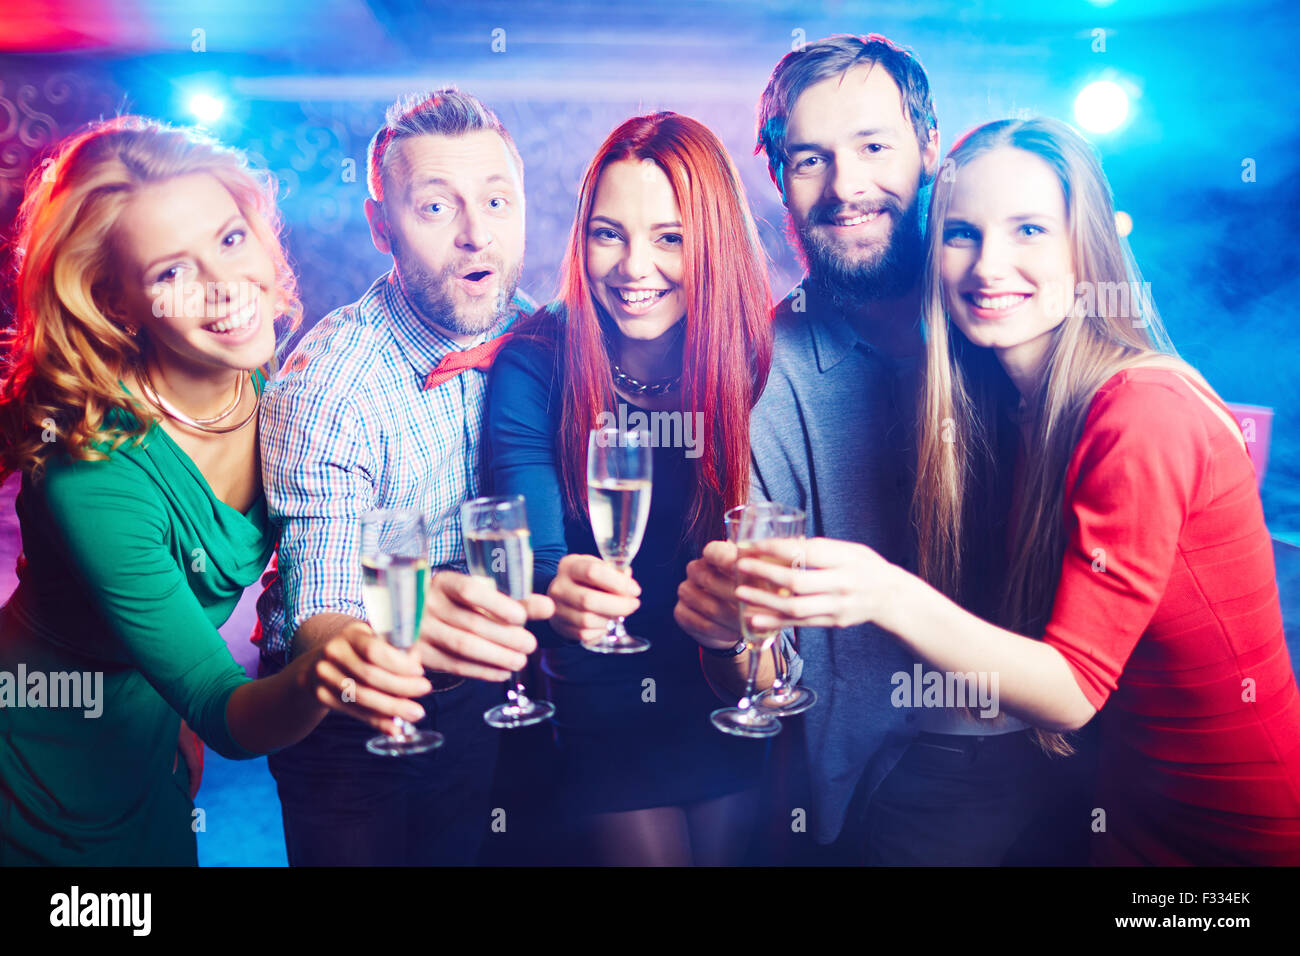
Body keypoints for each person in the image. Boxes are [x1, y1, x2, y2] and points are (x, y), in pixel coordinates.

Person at [724, 116, 1300, 866]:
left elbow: (1072, 689)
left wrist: (881, 591)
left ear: (1084, 248)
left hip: (1232, 836)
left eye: (1029, 229)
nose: (990, 266)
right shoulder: (1013, 406)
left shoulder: (1141, 411)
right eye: (962, 234)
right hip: (1126, 809)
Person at [674, 33, 1096, 865]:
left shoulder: (1014, 305)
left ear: (930, 146)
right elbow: (762, 676)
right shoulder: (765, 377)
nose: (847, 187)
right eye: (810, 160)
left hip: (1089, 759)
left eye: (873, 147)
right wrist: (726, 643)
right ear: (778, 179)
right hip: (896, 783)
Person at [0, 116, 431, 866]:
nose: (226, 288)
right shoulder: (93, 474)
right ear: (116, 303)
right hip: (32, 767)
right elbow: (229, 713)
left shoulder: (269, 386)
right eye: (172, 272)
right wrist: (323, 672)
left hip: (150, 750)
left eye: (230, 240)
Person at [255, 89, 554, 866]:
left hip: (490, 700)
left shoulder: (539, 336)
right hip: (347, 728)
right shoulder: (329, 386)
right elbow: (319, 618)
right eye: (434, 207)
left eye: (496, 200)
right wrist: (391, 639)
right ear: (381, 224)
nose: (475, 234)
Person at [485, 112, 774, 865]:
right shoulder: (537, 361)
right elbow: (534, 552)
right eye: (608, 234)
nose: (632, 266)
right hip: (599, 695)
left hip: (728, 685)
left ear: (712, 241)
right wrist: (559, 588)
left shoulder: (758, 359)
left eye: (669, 238)